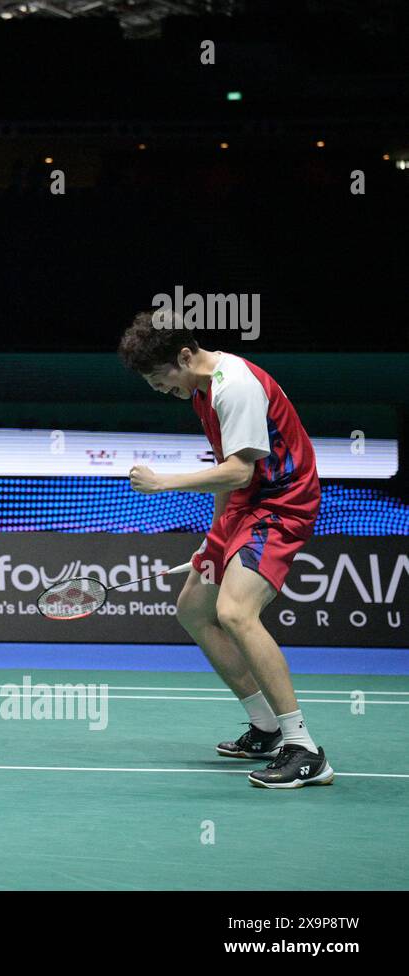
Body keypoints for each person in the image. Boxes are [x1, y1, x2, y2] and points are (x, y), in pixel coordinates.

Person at [117, 309, 333, 789]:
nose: (158, 389)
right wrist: (214, 541)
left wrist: (163, 483)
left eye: (159, 378)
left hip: (282, 503)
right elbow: (227, 468)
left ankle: (305, 750)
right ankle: (267, 725)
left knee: (236, 612)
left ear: (185, 355)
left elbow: (240, 472)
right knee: (194, 609)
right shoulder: (201, 390)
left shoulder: (233, 386)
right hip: (247, 504)